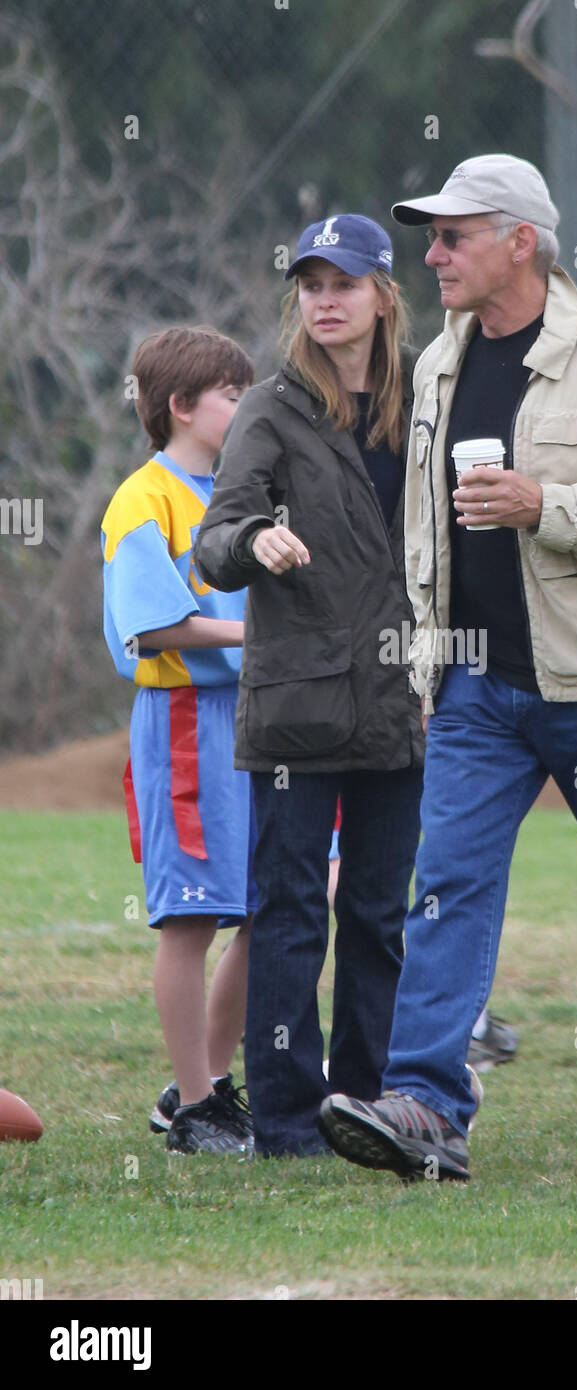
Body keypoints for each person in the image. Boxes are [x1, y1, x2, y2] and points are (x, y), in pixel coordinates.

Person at [319, 153, 577, 1179]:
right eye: (432, 233)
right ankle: (425, 1107)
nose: (433, 253)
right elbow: (423, 530)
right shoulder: (437, 366)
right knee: (445, 890)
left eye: (453, 235)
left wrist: (550, 505)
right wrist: (425, 665)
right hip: (474, 690)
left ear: (521, 242)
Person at [194, 215, 426, 1157]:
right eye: (312, 285)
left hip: (401, 698)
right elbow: (215, 541)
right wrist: (253, 542)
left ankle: (365, 1105)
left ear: (382, 296)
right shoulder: (270, 406)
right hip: (298, 700)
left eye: (345, 284)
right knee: (288, 915)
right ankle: (287, 1121)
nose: (326, 302)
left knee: (377, 915)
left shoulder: (426, 397)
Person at [101, 324, 256, 1154]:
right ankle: (196, 1109)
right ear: (182, 406)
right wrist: (259, 642)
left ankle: (206, 1086)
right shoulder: (143, 498)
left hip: (258, 724)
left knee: (271, 908)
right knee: (190, 920)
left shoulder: (242, 493)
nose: (245, 403)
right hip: (187, 726)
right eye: (233, 392)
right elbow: (157, 626)